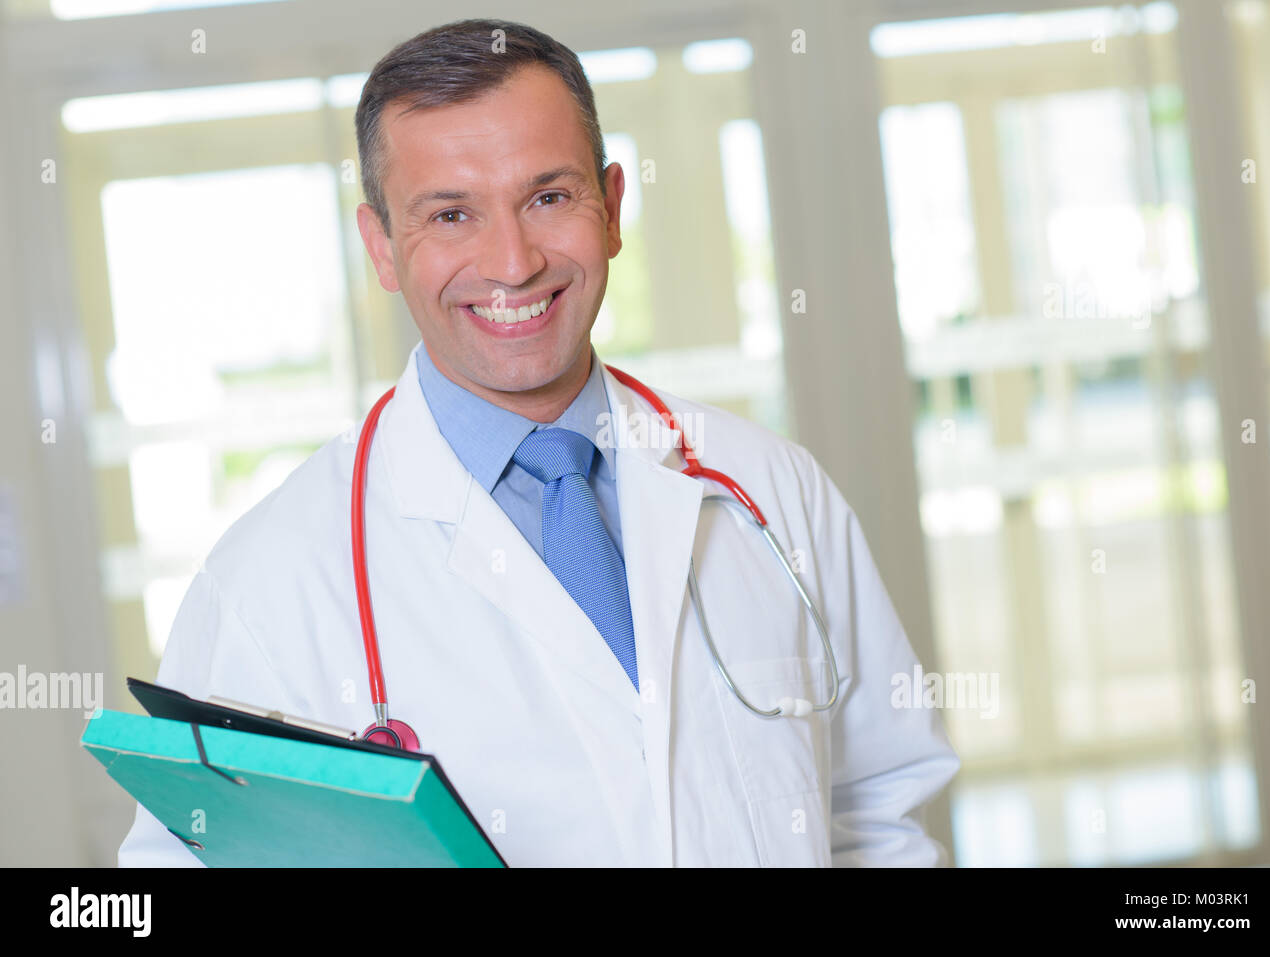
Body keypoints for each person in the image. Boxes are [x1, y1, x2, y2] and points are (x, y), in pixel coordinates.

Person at [118, 17, 959, 867]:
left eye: (548, 198)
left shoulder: (773, 489)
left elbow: (877, 817)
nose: (513, 262)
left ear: (613, 205)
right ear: (380, 246)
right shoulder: (272, 579)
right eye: (451, 215)